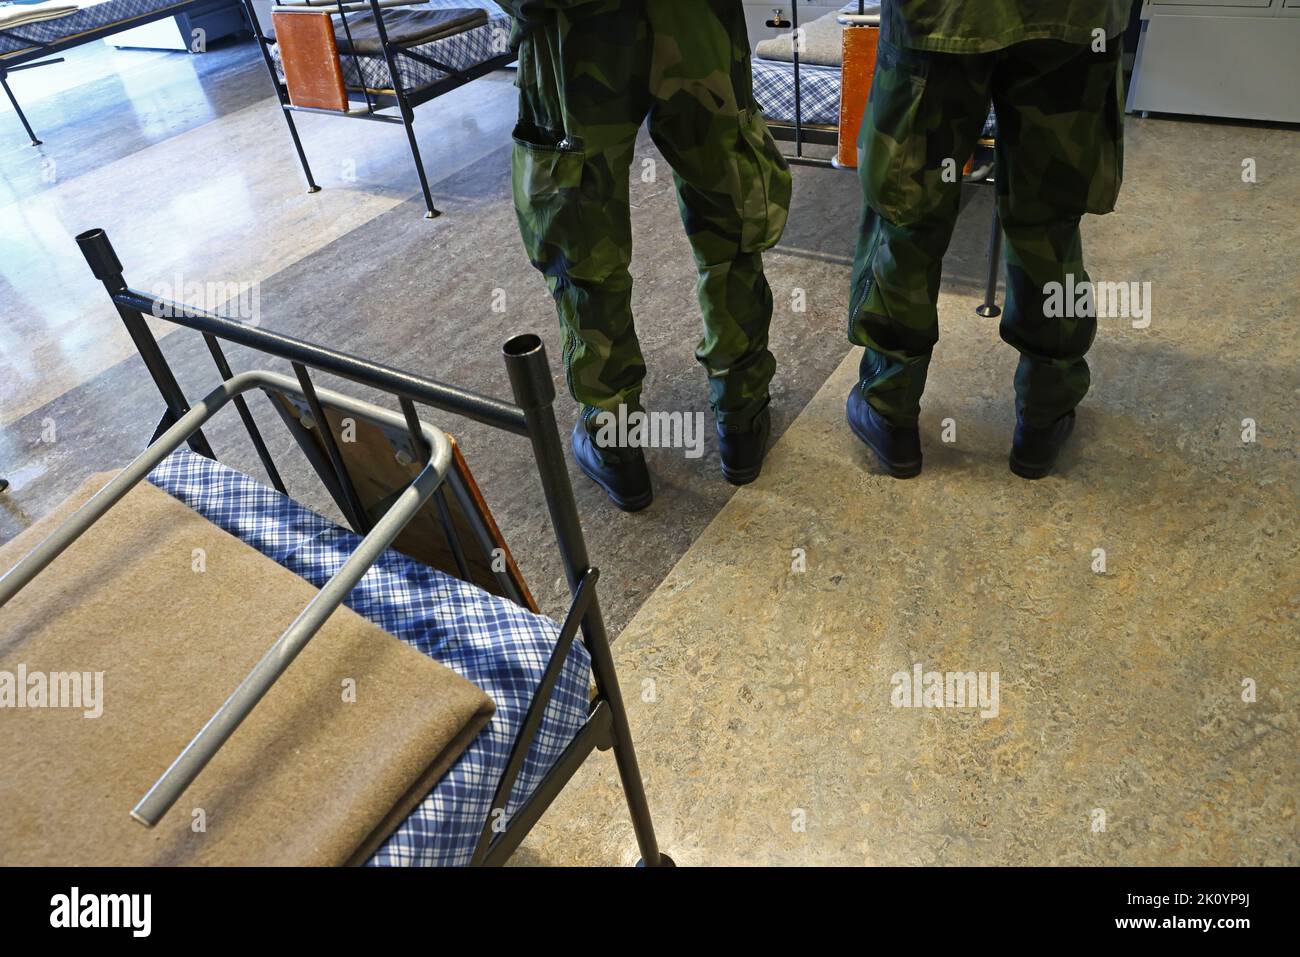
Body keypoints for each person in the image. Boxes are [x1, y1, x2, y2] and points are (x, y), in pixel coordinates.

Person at [501, 0, 791, 510]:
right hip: (691, 14)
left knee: (579, 225)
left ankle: (614, 440)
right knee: (729, 212)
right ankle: (740, 416)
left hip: (570, 23)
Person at [846, 0, 1131, 479]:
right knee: (1050, 222)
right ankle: (1045, 413)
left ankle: (890, 409)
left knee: (906, 213)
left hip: (940, 16)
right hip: (1076, 18)